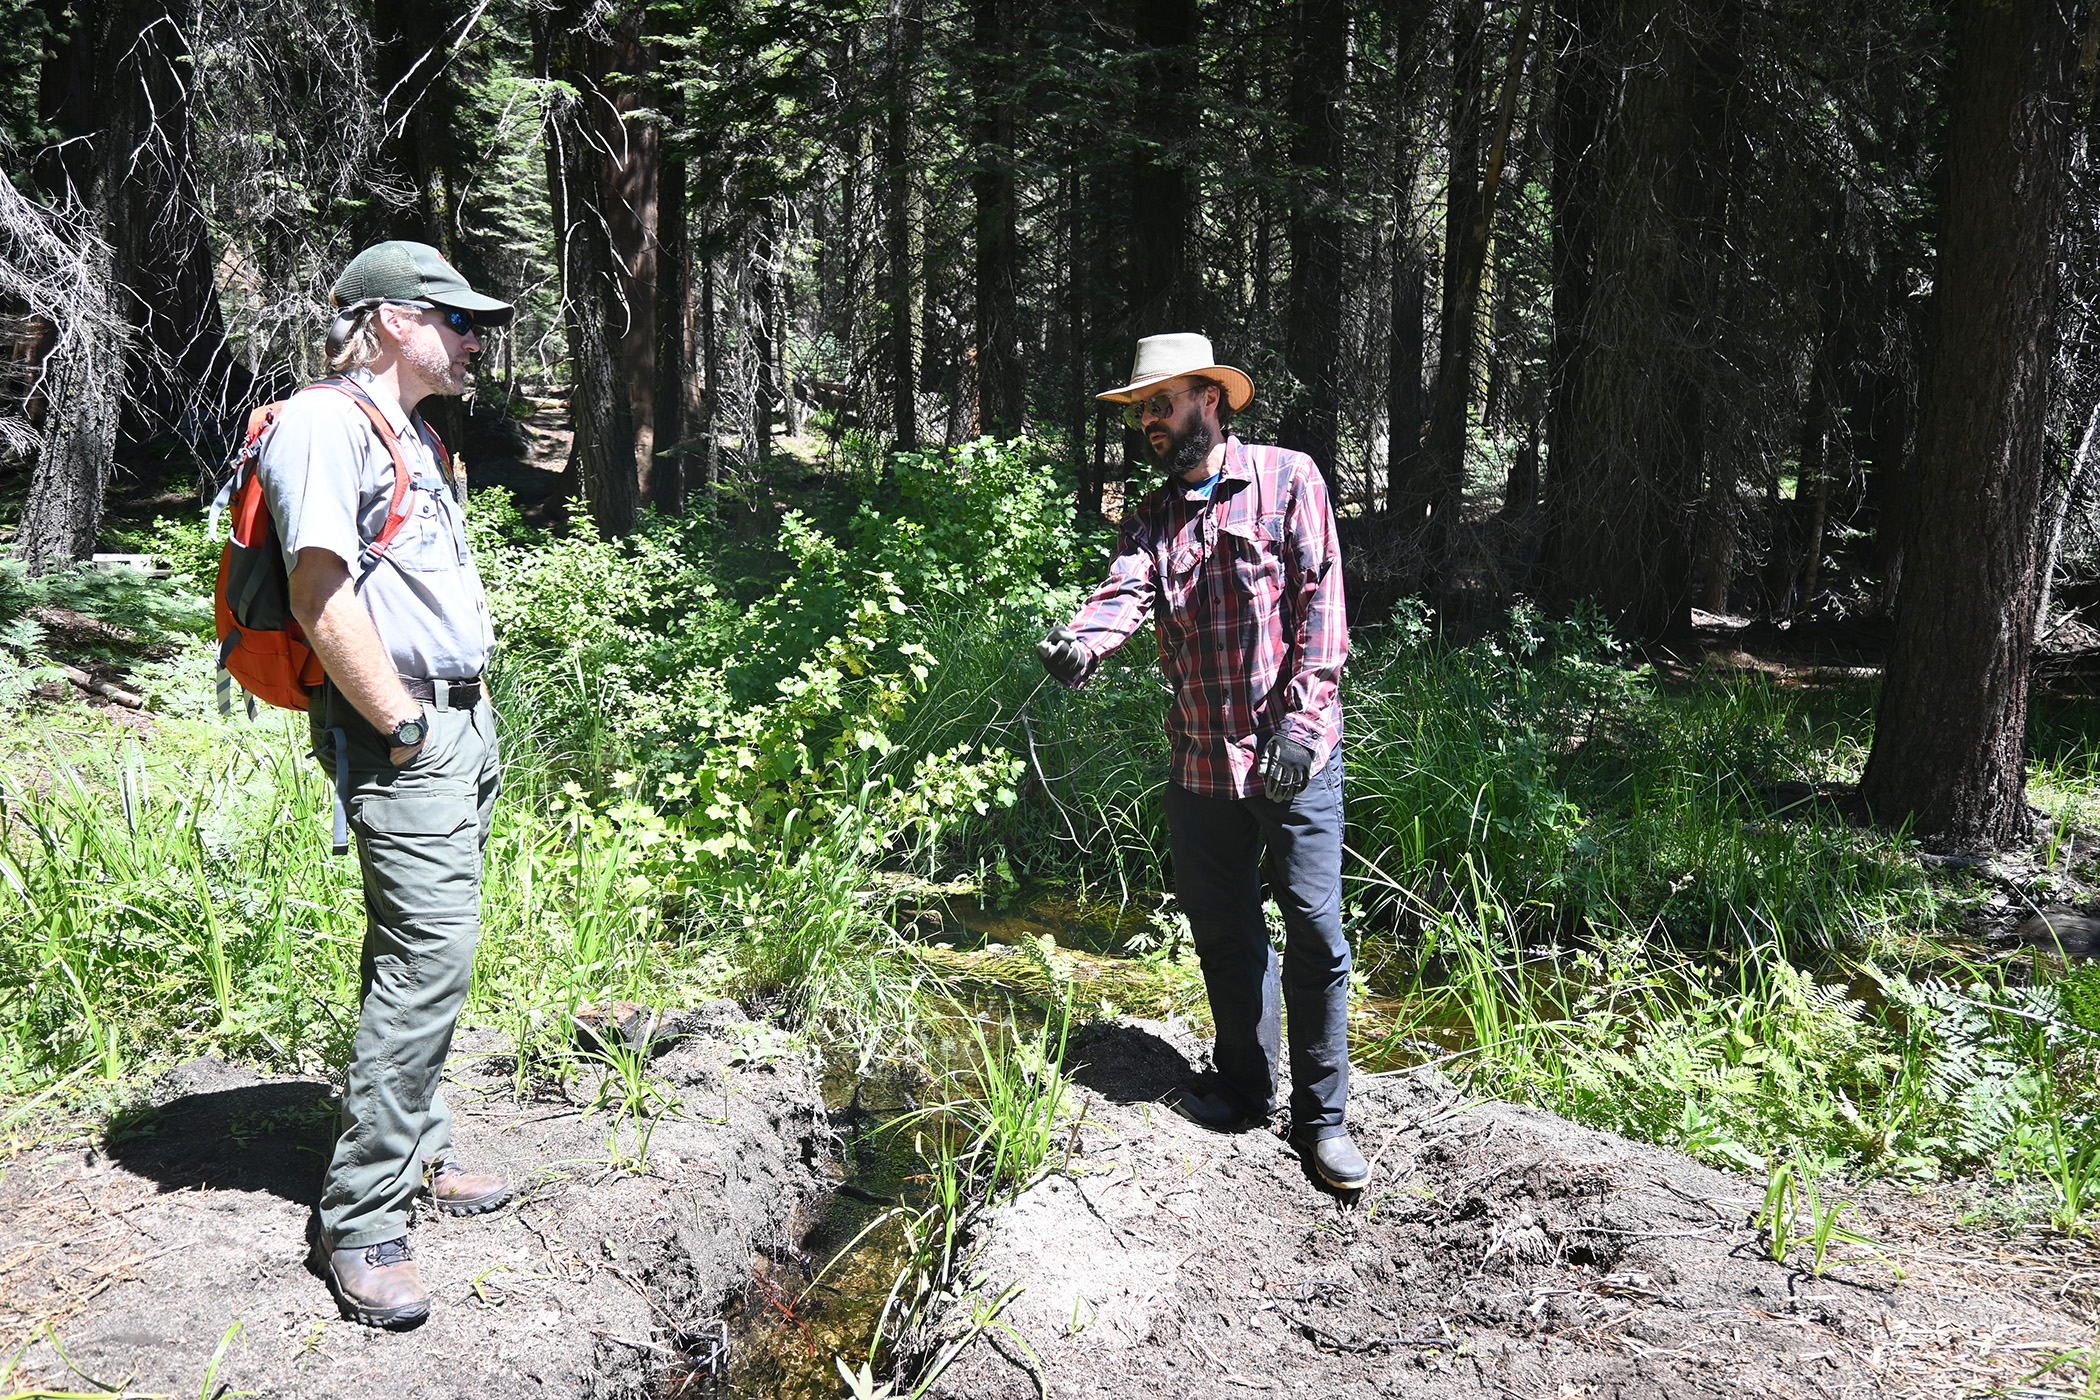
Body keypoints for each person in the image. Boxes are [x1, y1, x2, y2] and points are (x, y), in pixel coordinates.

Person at [1037, 332, 1367, 1192]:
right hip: (1199, 759)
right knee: (1223, 927)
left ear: (1209, 401)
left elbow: (1322, 607)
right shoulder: (1152, 514)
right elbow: (1125, 589)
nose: (1149, 421)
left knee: (1315, 932)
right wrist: (1082, 645)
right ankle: (1246, 1089)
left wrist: (1304, 727)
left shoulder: (1289, 479)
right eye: (1141, 410)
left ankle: (1323, 1121)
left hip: (1293, 755)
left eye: (1162, 403)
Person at [259, 240, 516, 1327]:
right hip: (405, 732)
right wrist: (403, 724)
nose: (474, 340)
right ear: (394, 321)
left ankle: (420, 1151)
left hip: (460, 724)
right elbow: (319, 593)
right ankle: (361, 1219)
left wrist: (456, 720)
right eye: (456, 319)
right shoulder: (326, 422)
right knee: (428, 960)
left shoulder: (410, 431)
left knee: (416, 958)